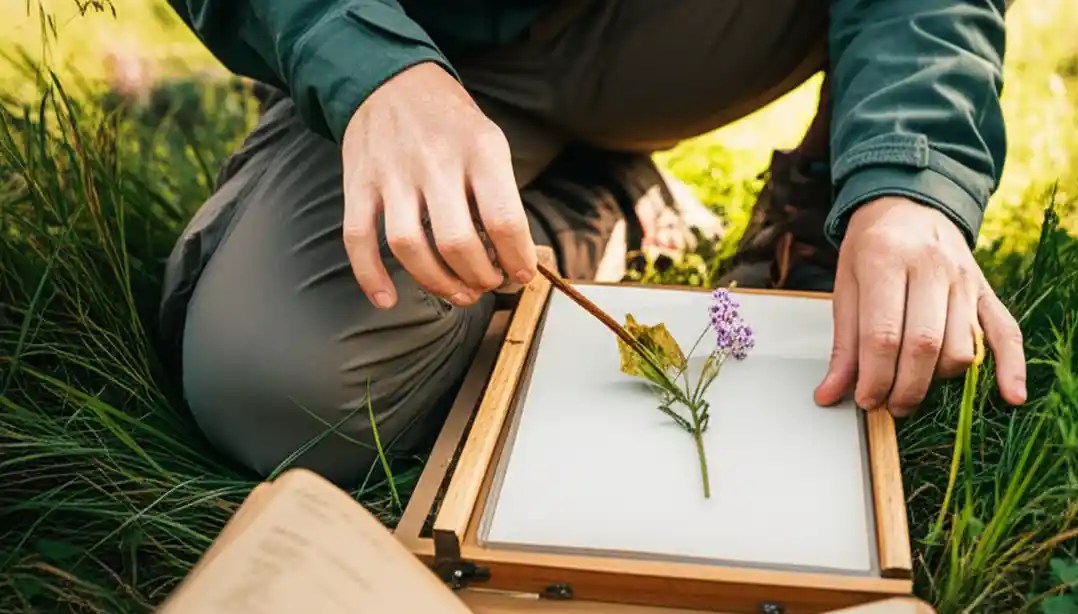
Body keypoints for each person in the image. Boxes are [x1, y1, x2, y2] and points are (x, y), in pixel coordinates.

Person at [159, 0, 1027, 487]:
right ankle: (599, 204)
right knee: (276, 390)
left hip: (684, 36)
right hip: (423, 39)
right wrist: (362, 63)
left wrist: (910, 180)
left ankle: (829, 187)